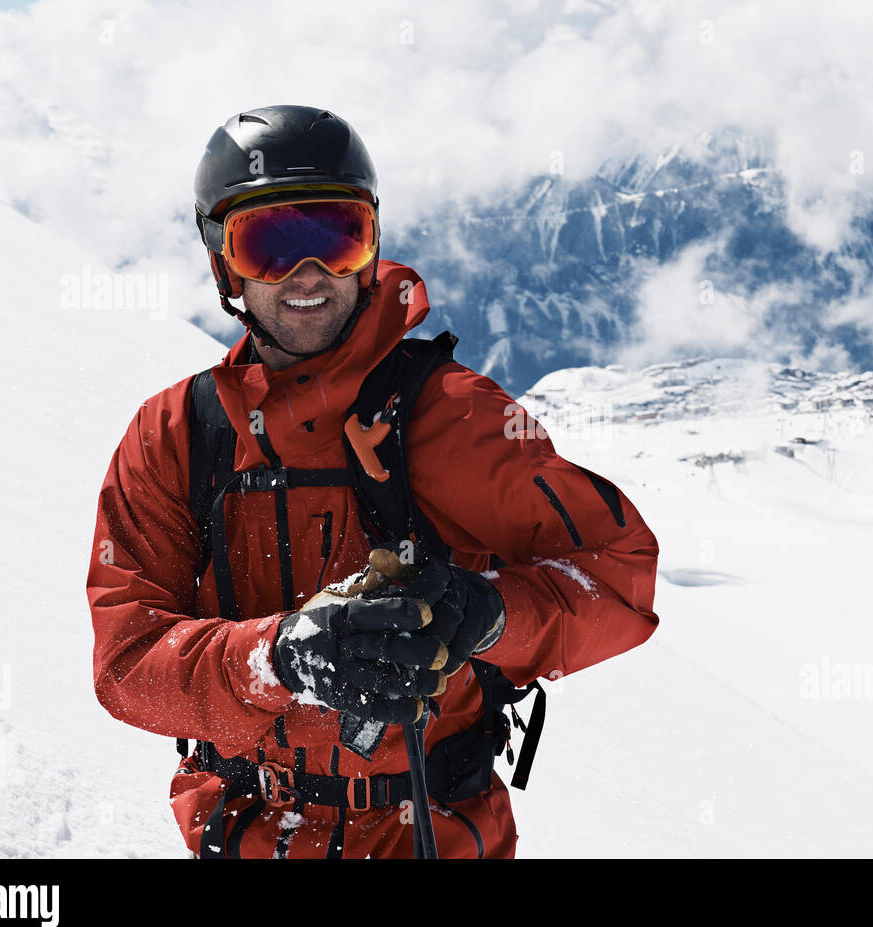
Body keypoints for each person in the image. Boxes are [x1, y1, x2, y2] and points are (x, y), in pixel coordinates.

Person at [85, 105, 660, 859]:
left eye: (336, 235)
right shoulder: (178, 437)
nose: (309, 274)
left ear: (371, 245)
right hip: (244, 836)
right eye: (268, 245)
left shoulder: (451, 418)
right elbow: (127, 667)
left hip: (430, 835)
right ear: (223, 261)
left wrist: (488, 616)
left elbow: (618, 579)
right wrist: (280, 657)